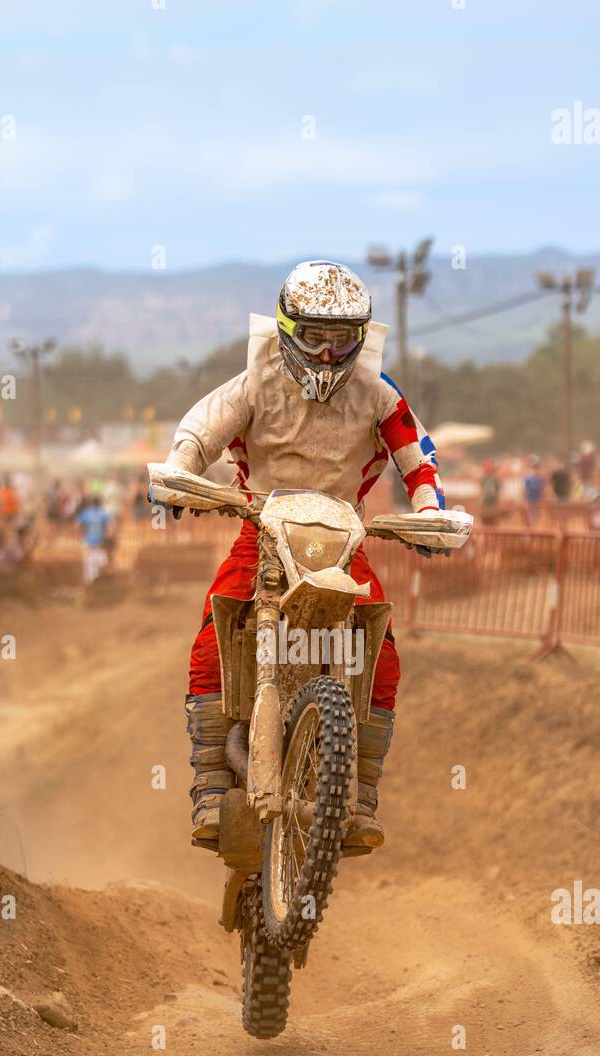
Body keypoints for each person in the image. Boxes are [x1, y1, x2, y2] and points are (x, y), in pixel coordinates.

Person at [162, 260, 446, 853]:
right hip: (263, 526)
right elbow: (200, 429)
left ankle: (361, 795)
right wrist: (180, 472)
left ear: (360, 338)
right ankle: (212, 785)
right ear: (288, 329)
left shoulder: (377, 392)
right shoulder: (256, 380)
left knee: (383, 657)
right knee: (211, 638)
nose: (325, 353)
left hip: (342, 534)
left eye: (341, 338)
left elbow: (416, 457)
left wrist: (427, 512)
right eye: (314, 335)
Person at [76, 494, 114, 585]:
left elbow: (77, 525)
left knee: (89, 562)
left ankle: (89, 582)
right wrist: (108, 536)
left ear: (92, 504)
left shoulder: (86, 513)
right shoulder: (104, 513)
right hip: (100, 541)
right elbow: (111, 526)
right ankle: (101, 582)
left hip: (88, 540)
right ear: (100, 503)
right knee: (102, 561)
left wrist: (81, 535)